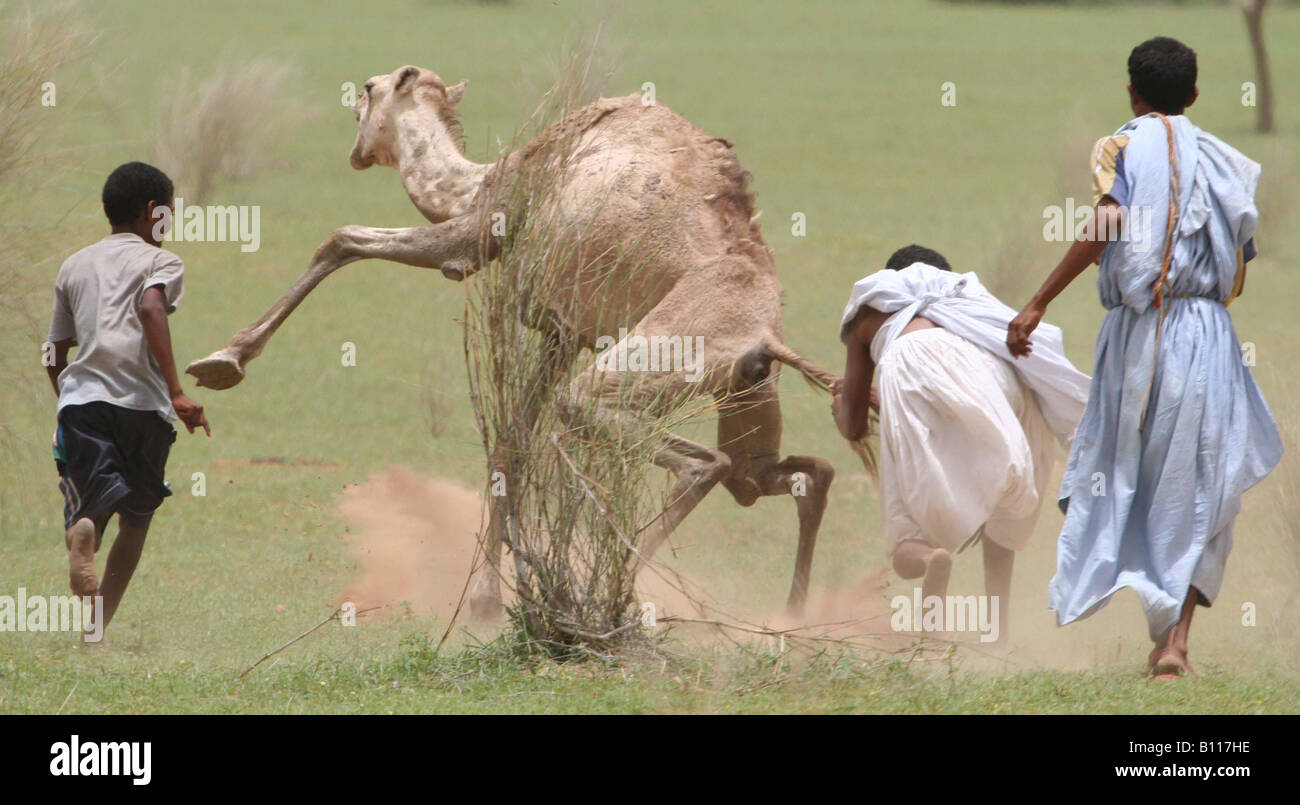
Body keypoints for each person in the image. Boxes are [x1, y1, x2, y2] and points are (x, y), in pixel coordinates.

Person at [1007, 37, 1282, 678]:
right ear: (1193, 96)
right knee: (1201, 489)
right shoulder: (1225, 160)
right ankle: (1175, 641)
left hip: (1140, 335)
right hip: (1210, 337)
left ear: (1131, 91)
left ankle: (1163, 637)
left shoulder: (1123, 145)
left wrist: (1038, 301)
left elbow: (1109, 220)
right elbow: (1240, 256)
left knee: (1121, 475)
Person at [834, 245, 1089, 641]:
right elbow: (957, 390)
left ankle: (931, 558)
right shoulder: (969, 304)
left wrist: (844, 402)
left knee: (907, 535)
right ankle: (996, 629)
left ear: (891, 279)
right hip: (999, 378)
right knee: (1002, 506)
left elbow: (853, 427)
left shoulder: (870, 310)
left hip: (908, 364)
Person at [46, 161, 210, 642]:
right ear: (152, 213)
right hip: (143, 407)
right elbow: (150, 306)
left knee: (91, 506)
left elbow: (54, 350)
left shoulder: (73, 265)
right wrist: (177, 391)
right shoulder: (162, 262)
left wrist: (68, 401)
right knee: (136, 522)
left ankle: (84, 531)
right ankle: (95, 631)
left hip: (82, 404)